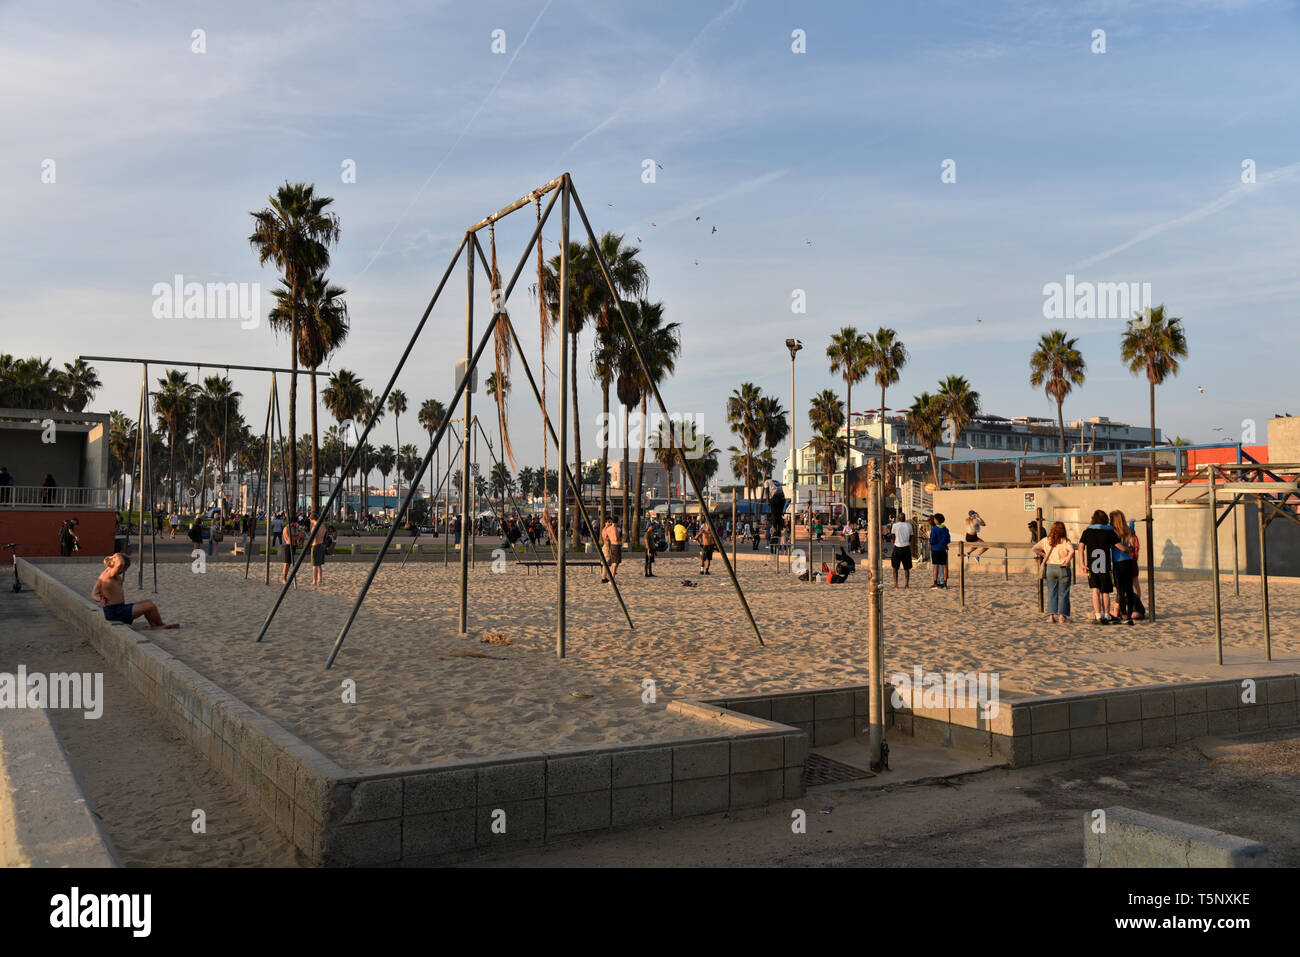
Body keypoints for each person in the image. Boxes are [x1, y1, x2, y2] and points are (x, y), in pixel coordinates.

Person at [91, 553, 178, 629]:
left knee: (148, 602)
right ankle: (160, 625)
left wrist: (100, 598)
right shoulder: (110, 574)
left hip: (117, 609)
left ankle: (154, 625)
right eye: (126, 568)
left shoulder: (103, 575)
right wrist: (117, 555)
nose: (125, 571)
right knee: (150, 606)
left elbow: (94, 594)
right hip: (116, 612)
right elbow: (120, 563)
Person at [1079, 509, 1121, 624]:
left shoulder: (1087, 532)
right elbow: (1118, 545)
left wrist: (1082, 563)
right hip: (1105, 566)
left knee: (1095, 591)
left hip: (1092, 566)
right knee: (1105, 592)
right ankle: (1107, 615)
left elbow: (1081, 547)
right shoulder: (1110, 532)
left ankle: (1098, 616)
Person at [1033, 521, 1076, 623]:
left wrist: (1044, 555)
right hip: (1062, 568)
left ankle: (1051, 617)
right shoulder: (1065, 541)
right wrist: (1067, 560)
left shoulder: (1046, 540)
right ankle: (1062, 616)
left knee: (1052, 592)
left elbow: (1034, 548)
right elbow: (1072, 551)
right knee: (1063, 593)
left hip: (1050, 568)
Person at [1108, 510, 1137, 625]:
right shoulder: (1127, 530)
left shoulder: (1112, 532)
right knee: (1129, 589)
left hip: (1118, 564)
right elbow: (1132, 530)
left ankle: (1124, 615)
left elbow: (1123, 548)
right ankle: (1128, 614)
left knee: (1120, 591)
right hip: (1128, 563)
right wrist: (1132, 523)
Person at [889, 513, 913, 588]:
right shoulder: (909, 525)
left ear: (898, 518)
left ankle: (896, 584)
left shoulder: (895, 525)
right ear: (905, 518)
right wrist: (908, 541)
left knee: (895, 568)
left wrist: (893, 540)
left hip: (897, 547)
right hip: (906, 547)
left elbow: (892, 534)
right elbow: (911, 535)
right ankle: (907, 584)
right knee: (907, 568)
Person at [929, 513, 950, 588]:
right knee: (944, 566)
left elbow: (931, 540)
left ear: (937, 520)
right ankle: (945, 582)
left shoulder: (934, 529)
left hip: (935, 549)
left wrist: (933, 543)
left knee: (936, 566)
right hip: (943, 549)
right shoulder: (945, 529)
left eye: (934, 519)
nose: (934, 520)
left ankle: (935, 582)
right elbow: (948, 539)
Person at [599, 517, 622, 583]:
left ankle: (608, 577)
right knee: (607, 562)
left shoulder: (608, 529)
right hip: (607, 547)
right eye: (608, 522)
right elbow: (608, 539)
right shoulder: (605, 530)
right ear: (605, 522)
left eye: (611, 522)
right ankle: (604, 578)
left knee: (611, 562)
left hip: (610, 546)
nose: (610, 523)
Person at [307, 513, 327, 585]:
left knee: (314, 564)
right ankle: (320, 579)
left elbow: (313, 537)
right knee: (319, 564)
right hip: (321, 544)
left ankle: (314, 580)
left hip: (315, 545)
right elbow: (324, 535)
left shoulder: (314, 527)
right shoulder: (323, 526)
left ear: (312, 519)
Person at [281, 515, 299, 584]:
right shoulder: (287, 528)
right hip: (289, 546)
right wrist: (299, 536)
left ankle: (285, 577)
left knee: (289, 563)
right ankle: (284, 578)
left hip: (293, 546)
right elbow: (289, 539)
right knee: (287, 563)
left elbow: (294, 536)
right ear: (293, 522)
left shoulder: (292, 528)